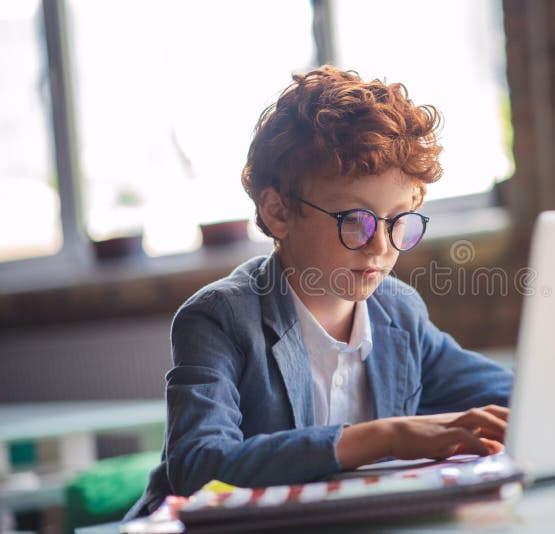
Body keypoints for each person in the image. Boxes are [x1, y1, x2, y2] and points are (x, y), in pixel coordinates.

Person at [125, 66, 512, 519]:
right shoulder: (219, 319)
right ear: (277, 212)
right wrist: (383, 437)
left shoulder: (399, 312)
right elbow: (199, 467)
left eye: (398, 221)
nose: (381, 247)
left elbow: (513, 396)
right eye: (355, 219)